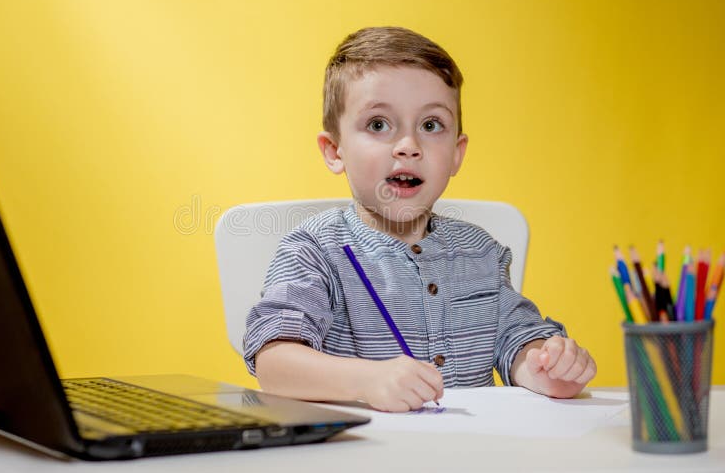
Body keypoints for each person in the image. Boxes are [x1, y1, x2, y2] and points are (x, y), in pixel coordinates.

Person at [243, 26, 596, 412]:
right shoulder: (315, 251)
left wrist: (546, 366)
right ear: (334, 150)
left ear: (457, 153)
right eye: (378, 125)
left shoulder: (481, 252)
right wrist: (366, 380)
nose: (408, 146)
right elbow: (273, 364)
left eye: (431, 126)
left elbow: (517, 342)